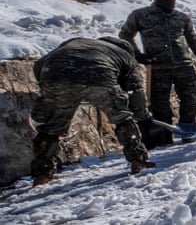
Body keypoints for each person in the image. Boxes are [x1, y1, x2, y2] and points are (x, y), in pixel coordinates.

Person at [30, 37, 156, 185]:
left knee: (51, 128)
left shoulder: (74, 44)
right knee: (122, 118)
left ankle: (42, 175)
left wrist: (50, 92)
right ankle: (138, 161)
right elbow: (135, 90)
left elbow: (39, 65)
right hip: (99, 76)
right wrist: (142, 114)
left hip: (56, 74)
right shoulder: (126, 56)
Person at [119, 0, 196, 125]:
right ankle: (164, 135)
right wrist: (137, 54)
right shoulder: (141, 15)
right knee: (159, 104)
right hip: (158, 66)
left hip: (184, 65)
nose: (172, 0)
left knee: (190, 99)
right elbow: (125, 35)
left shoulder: (181, 17)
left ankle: (187, 130)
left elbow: (193, 40)